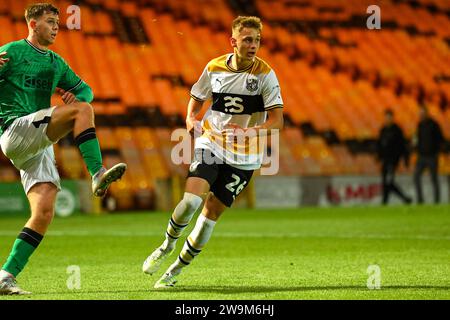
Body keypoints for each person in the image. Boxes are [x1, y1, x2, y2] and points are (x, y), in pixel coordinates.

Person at [142, 16, 284, 288]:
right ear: (233, 42)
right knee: (191, 202)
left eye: (257, 40)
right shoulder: (214, 67)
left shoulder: (265, 74)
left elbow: (278, 121)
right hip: (213, 143)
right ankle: (166, 245)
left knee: (210, 216)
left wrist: (250, 132)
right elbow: (196, 98)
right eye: (247, 40)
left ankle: (174, 271)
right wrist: (190, 118)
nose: (254, 45)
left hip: (245, 157)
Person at [0, 3, 126, 295]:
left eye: (58, 22)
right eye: (49, 21)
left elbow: (87, 90)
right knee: (82, 112)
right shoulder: (12, 52)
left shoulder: (56, 63)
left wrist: (76, 93)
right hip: (15, 129)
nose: (57, 26)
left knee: (44, 210)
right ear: (32, 24)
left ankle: (6, 275)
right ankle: (97, 172)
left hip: (38, 142)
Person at [377, 109, 412, 205]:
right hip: (385, 160)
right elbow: (379, 145)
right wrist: (379, 158)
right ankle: (404, 199)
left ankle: (386, 202)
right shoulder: (383, 130)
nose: (388, 119)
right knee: (386, 182)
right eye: (386, 117)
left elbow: (403, 146)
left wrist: (405, 160)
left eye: (389, 117)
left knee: (389, 182)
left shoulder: (397, 130)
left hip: (393, 160)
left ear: (392, 118)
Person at [413, 105, 443, 204]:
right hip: (421, 156)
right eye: (420, 113)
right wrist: (415, 146)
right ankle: (420, 200)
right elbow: (416, 138)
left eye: (423, 113)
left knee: (433, 178)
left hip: (432, 156)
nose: (421, 115)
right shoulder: (419, 125)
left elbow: (440, 139)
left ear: (427, 113)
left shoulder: (434, 124)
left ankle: (437, 201)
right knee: (416, 176)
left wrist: (436, 151)